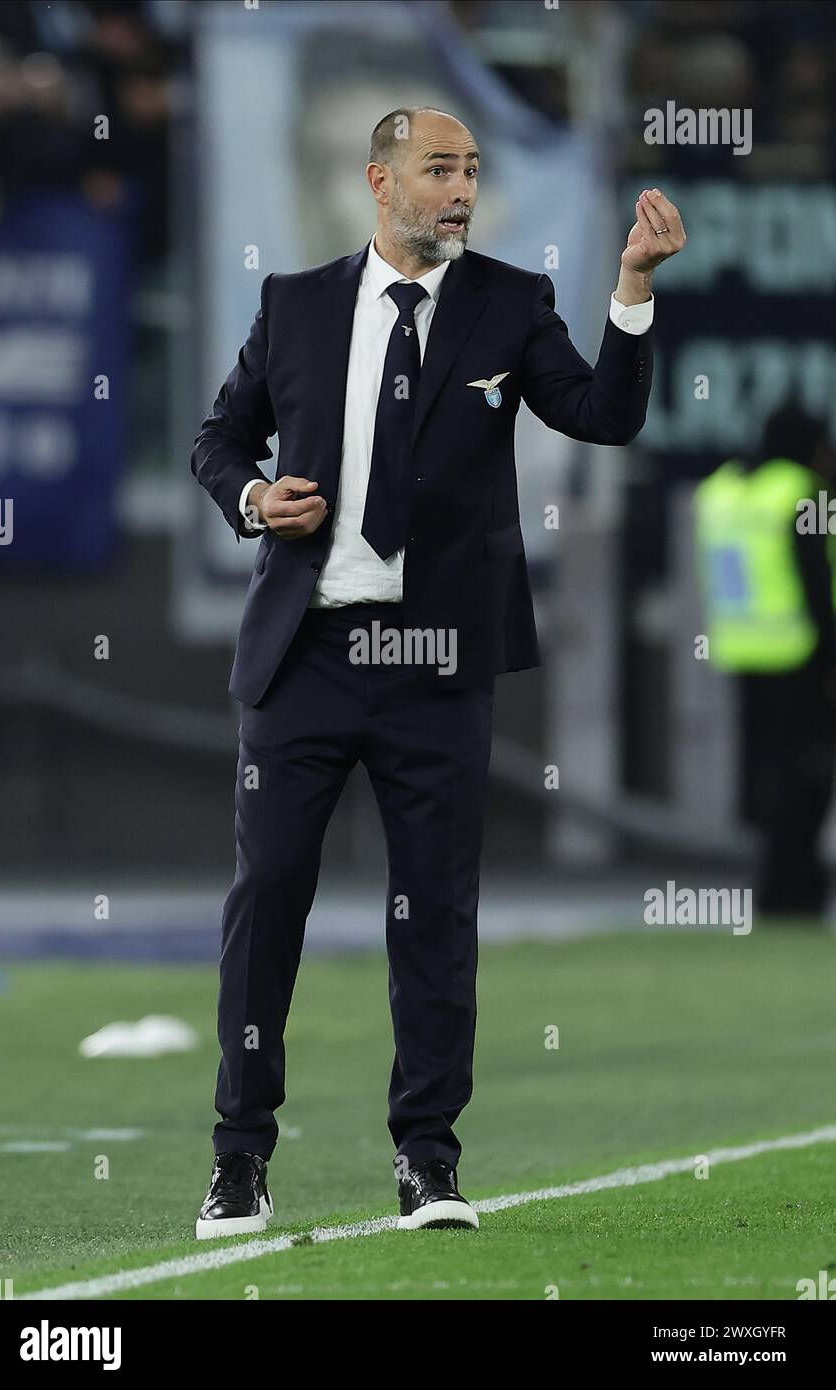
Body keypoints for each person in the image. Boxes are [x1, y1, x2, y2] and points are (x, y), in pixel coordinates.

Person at [190, 106, 685, 1237]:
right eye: (437, 169)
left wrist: (631, 290)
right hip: (308, 651)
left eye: (471, 170)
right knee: (267, 899)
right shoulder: (297, 304)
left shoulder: (510, 303)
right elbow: (217, 442)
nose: (459, 188)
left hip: (436, 663)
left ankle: (426, 1160)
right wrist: (253, 499)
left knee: (434, 915)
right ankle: (238, 1157)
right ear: (379, 181)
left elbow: (603, 415)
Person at [694, 405, 836, 918]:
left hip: (743, 651)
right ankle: (795, 889)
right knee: (809, 776)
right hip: (801, 655)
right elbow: (815, 582)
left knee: (768, 777)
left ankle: (775, 884)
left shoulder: (722, 490)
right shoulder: (798, 490)